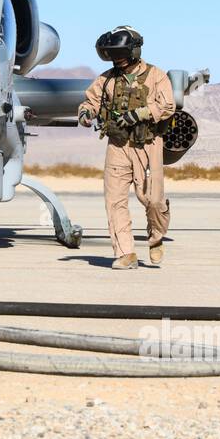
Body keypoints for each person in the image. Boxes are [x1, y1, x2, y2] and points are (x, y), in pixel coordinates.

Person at [77, 27, 176, 270]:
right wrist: (85, 113)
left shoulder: (156, 76)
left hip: (147, 145)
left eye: (119, 55)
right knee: (115, 201)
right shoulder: (106, 79)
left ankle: (156, 238)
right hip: (117, 145)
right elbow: (90, 101)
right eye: (113, 56)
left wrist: (139, 114)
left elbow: (168, 106)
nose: (116, 61)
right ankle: (125, 253)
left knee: (152, 200)